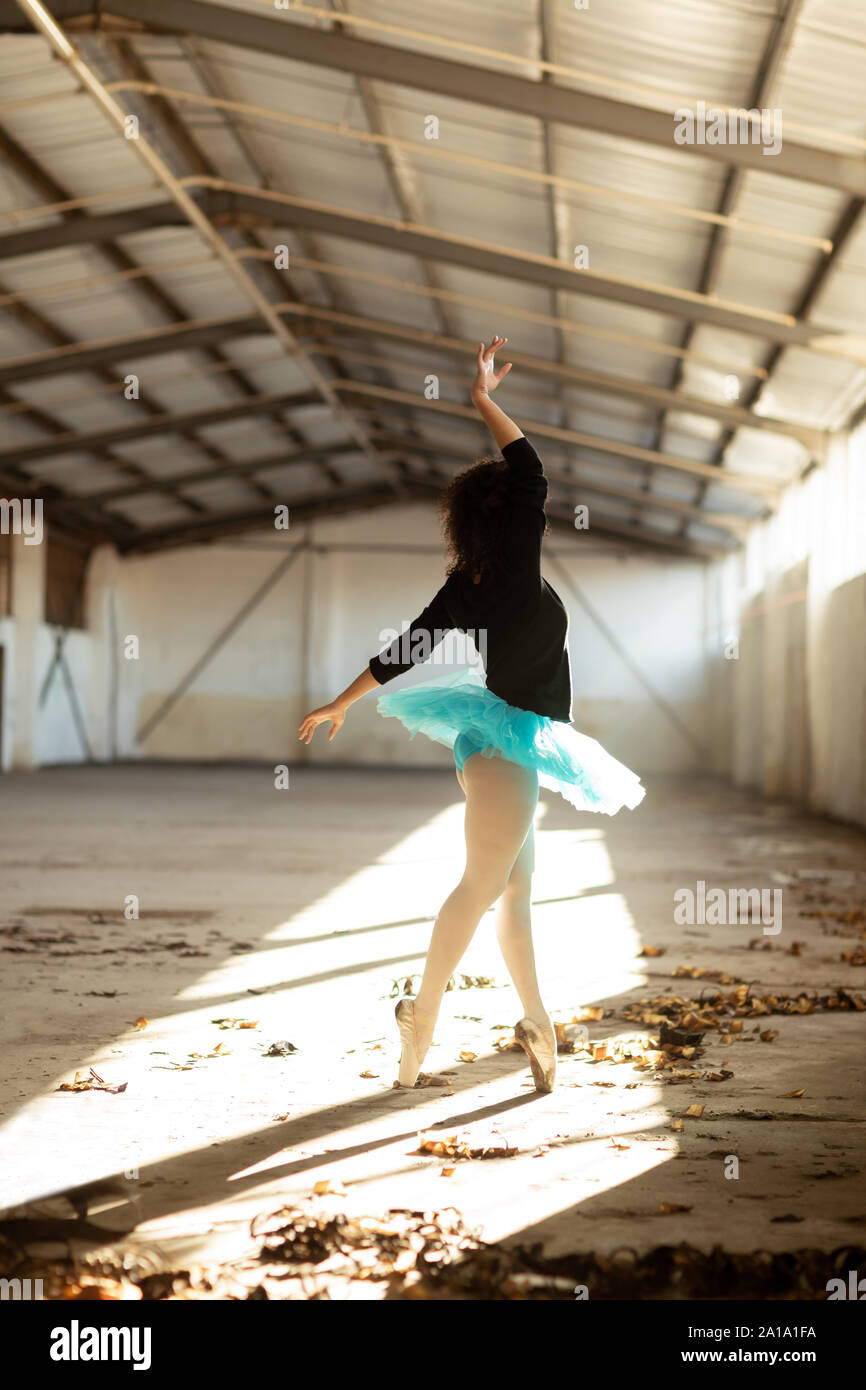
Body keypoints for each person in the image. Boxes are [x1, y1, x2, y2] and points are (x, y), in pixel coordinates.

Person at [299, 337, 645, 1093]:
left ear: (464, 523)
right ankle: (421, 1014)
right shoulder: (520, 561)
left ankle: (535, 1022)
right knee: (481, 887)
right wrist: (484, 400)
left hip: (491, 739)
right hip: (505, 745)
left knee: (513, 891)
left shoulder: (465, 586)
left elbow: (403, 652)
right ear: (513, 520)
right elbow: (532, 471)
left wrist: (342, 702)